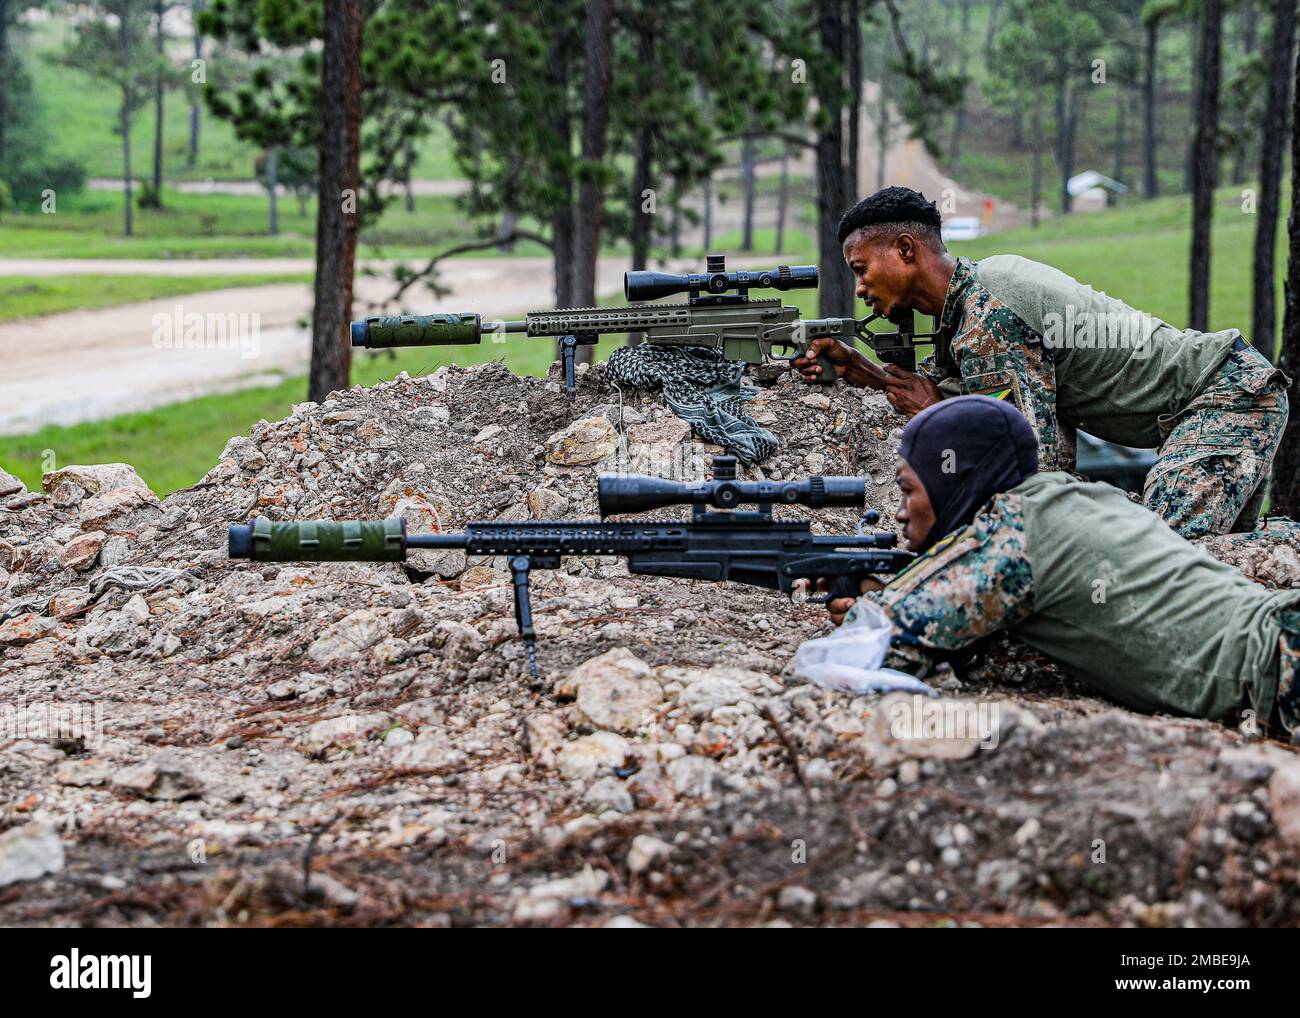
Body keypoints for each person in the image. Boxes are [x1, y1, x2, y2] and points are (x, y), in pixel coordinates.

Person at [791, 186, 1291, 538]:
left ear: (905, 249)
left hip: (1225, 399)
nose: (858, 288)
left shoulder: (988, 317)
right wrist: (867, 374)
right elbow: (1000, 405)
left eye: (861, 269)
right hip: (1226, 393)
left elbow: (1033, 470)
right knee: (1218, 562)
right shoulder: (973, 297)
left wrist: (931, 414)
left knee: (1159, 556)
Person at [822, 395, 1300, 733]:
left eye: (909, 488)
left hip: (1280, 661)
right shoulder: (1076, 497)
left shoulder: (1013, 536)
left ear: (957, 482)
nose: (901, 511)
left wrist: (874, 601)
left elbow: (877, 648)